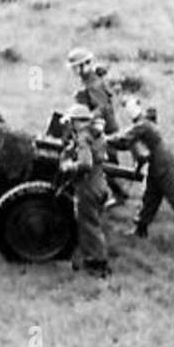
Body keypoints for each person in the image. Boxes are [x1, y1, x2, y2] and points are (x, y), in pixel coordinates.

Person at [114, 97, 174, 246]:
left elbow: (122, 141)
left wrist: (104, 139)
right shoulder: (147, 125)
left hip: (165, 166)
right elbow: (141, 154)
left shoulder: (143, 125)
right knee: (150, 198)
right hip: (157, 165)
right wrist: (137, 169)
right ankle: (140, 229)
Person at [66, 46, 128, 208]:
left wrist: (85, 117)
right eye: (74, 68)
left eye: (78, 67)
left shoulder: (92, 84)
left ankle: (118, 194)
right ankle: (110, 193)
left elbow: (102, 108)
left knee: (105, 164)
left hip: (104, 129)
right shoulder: (89, 80)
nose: (76, 71)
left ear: (85, 65)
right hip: (99, 126)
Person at [57, 103, 111, 278]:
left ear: (76, 122)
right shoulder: (97, 134)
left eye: (71, 122)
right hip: (100, 183)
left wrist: (67, 167)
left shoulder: (83, 137)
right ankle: (90, 258)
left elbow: (85, 164)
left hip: (88, 187)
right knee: (91, 224)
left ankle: (98, 264)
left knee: (89, 226)